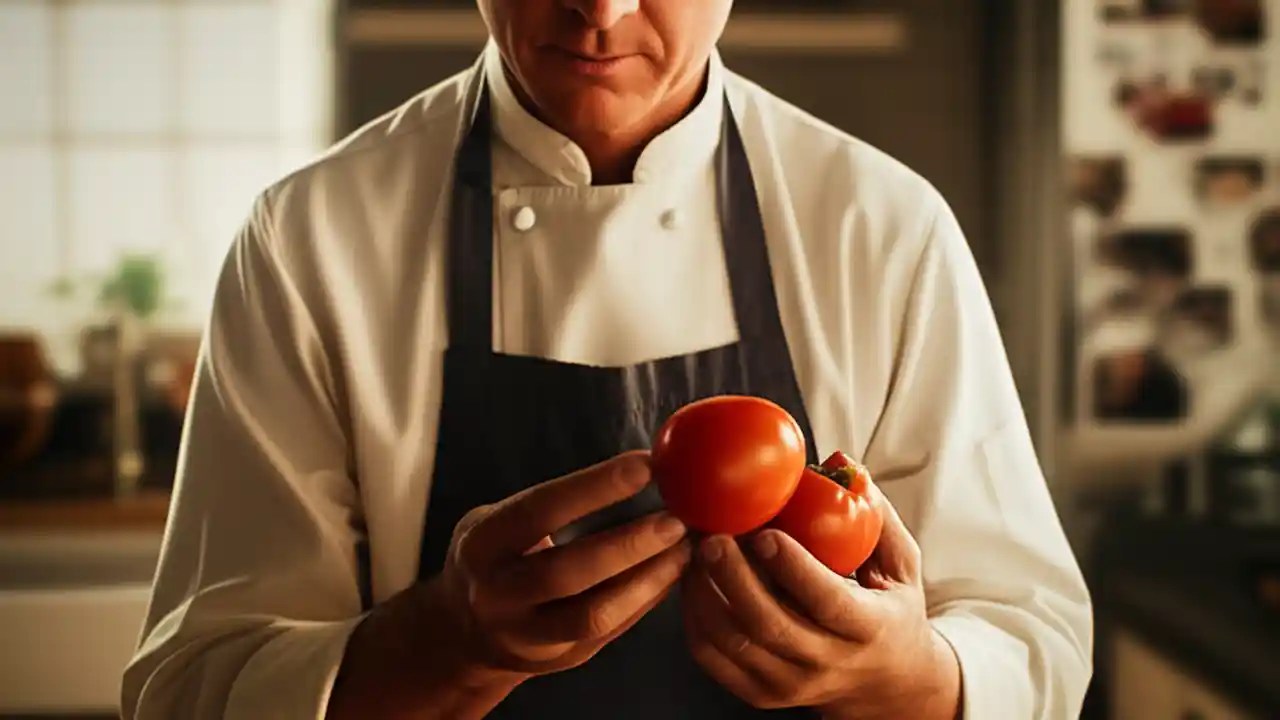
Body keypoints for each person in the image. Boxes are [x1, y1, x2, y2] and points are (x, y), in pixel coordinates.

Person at [121, 1, 1092, 718]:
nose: (601, 12)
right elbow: (191, 684)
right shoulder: (311, 236)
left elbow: (1032, 637)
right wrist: (442, 646)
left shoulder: (879, 225)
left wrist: (905, 676)